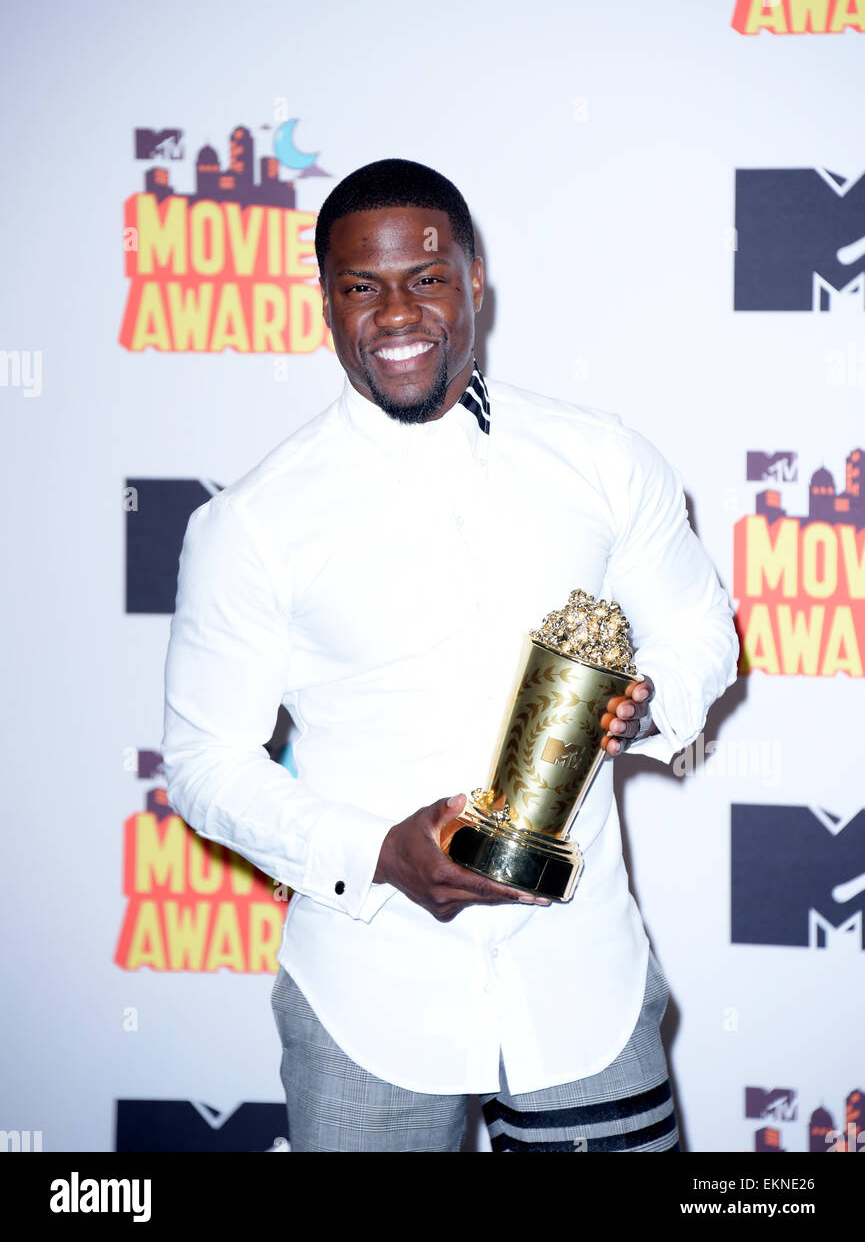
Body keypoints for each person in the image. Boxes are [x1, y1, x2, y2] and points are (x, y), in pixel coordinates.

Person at [162, 158, 739, 1153]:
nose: (396, 312)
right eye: (361, 284)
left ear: (476, 282)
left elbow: (701, 633)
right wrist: (375, 853)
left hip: (581, 986)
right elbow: (203, 762)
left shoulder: (601, 459)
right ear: (326, 301)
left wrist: (649, 700)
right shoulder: (251, 523)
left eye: (426, 278)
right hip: (366, 999)